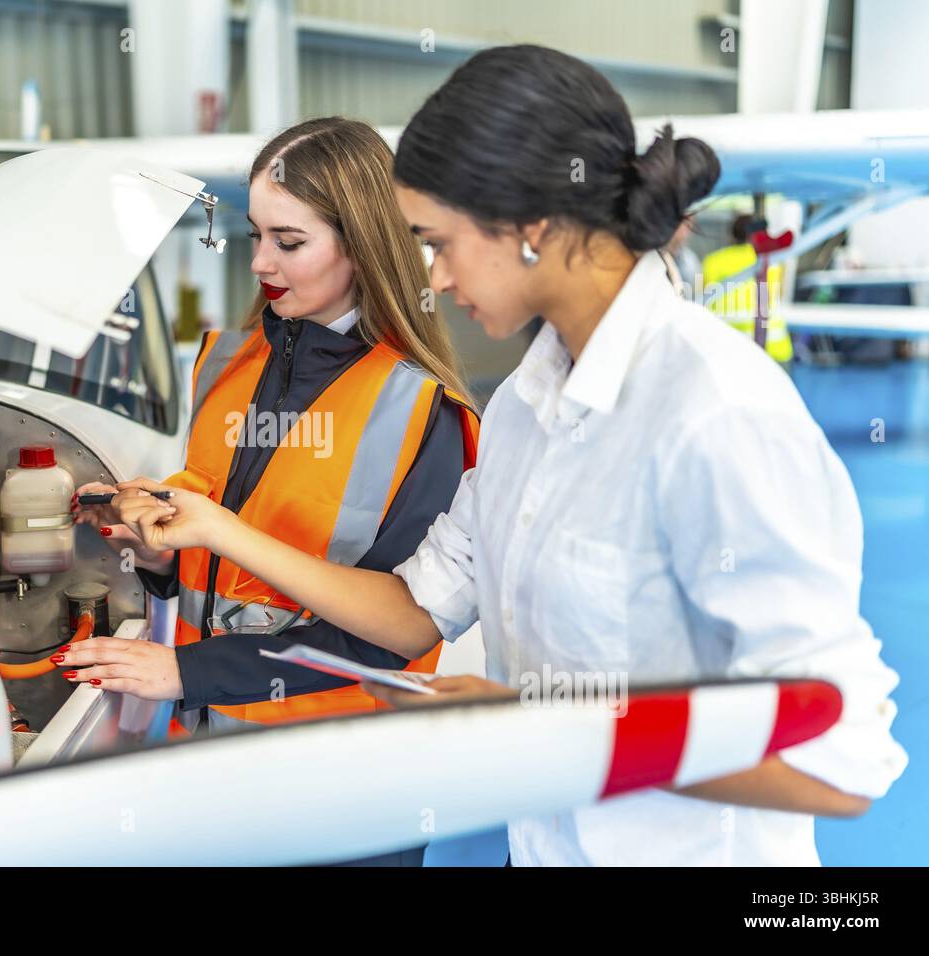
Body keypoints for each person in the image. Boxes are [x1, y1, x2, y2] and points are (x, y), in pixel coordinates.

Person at [83, 46, 908, 866]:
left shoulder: (717, 413)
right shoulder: (523, 410)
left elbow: (834, 762)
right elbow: (413, 610)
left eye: (439, 243)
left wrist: (546, 732)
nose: (432, 279)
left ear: (531, 228)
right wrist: (218, 532)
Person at [70, 118, 480, 744]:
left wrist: (189, 669)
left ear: (362, 245)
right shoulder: (226, 367)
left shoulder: (424, 411)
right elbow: (233, 577)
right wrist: (160, 555)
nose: (260, 261)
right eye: (256, 235)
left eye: (289, 242)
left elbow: (395, 633)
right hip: (208, 744)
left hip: (340, 773)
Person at [702, 213, 794, 361]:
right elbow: (780, 292)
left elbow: (704, 302)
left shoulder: (713, 262)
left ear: (732, 234)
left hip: (731, 351)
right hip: (776, 349)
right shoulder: (774, 261)